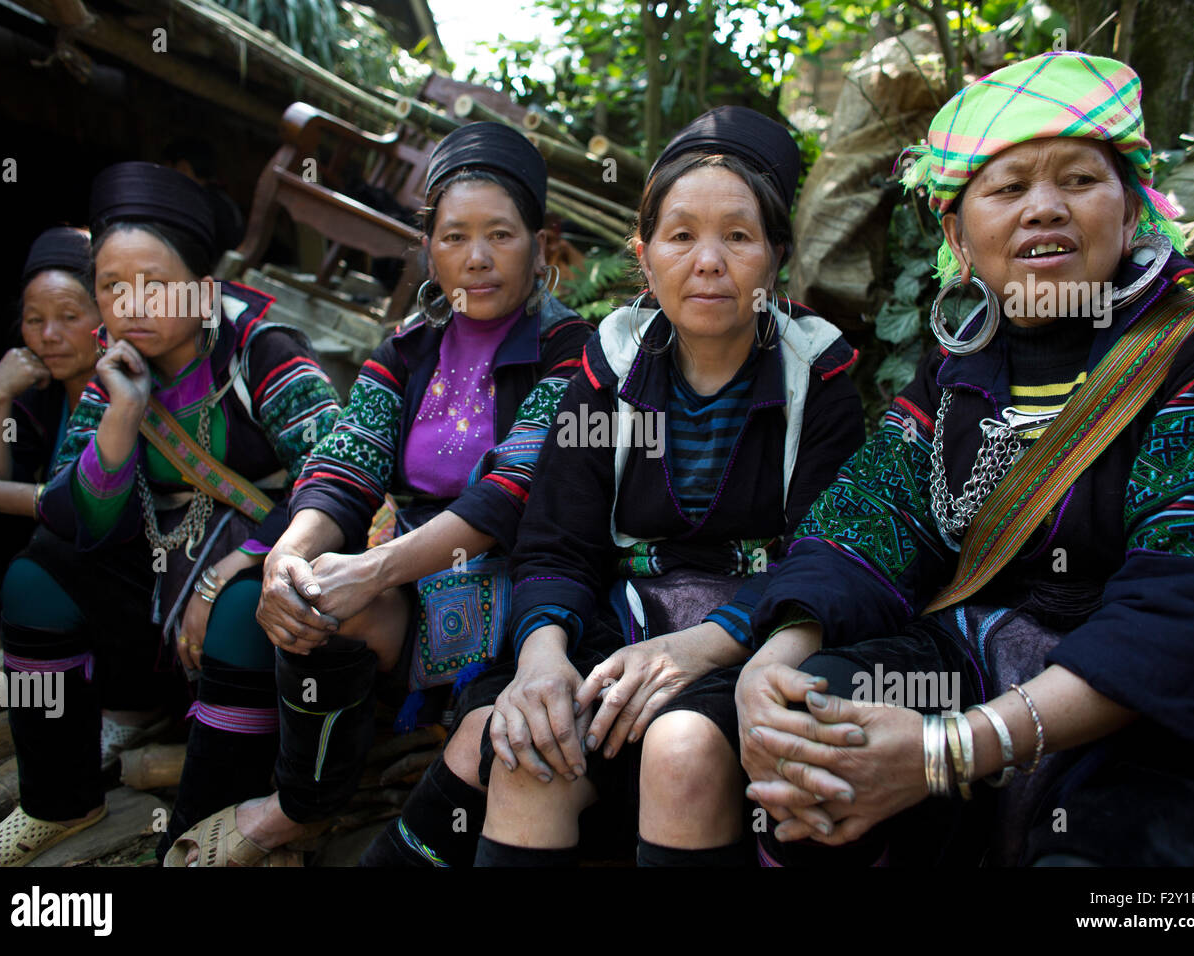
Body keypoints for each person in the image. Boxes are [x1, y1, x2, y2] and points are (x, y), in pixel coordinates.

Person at [725, 51, 1194, 866]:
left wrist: (949, 750)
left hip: (1146, 713)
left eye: (1079, 180)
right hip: (978, 661)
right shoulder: (958, 367)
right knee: (817, 727)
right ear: (958, 236)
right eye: (1008, 190)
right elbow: (871, 518)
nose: (1044, 209)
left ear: (1131, 210)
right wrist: (781, 649)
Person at [361, 106, 868, 868]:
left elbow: (825, 554)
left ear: (776, 260)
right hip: (620, 625)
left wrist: (704, 646)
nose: (708, 261)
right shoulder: (612, 364)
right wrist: (541, 656)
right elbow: (557, 538)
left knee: (682, 748)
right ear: (644, 254)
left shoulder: (818, 374)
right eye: (680, 235)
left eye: (738, 236)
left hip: (755, 632)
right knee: (527, 739)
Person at [165, 122, 595, 866]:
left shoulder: (571, 351)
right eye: (456, 236)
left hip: (526, 589)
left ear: (540, 245)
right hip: (409, 573)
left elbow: (509, 493)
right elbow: (345, 465)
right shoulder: (408, 344)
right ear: (429, 247)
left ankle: (315, 803)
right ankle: (264, 805)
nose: (479, 258)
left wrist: (371, 569)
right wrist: (290, 557)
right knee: (287, 599)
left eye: (501, 234)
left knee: (349, 596)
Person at [0, 162, 342, 867]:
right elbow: (74, 521)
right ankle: (59, 802)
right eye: (110, 286)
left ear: (203, 290)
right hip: (154, 593)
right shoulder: (115, 365)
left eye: (154, 285)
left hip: (259, 571)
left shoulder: (264, 352)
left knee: (240, 605)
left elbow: (338, 475)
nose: (129, 303)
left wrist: (227, 570)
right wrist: (122, 418)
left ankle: (197, 828)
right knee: (36, 575)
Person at [0, 227, 99, 736]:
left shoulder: (126, 389)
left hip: (118, 580)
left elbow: (91, 510)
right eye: (34, 320)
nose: (48, 336)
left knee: (36, 554)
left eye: (69, 317)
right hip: (52, 550)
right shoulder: (38, 391)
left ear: (105, 318)